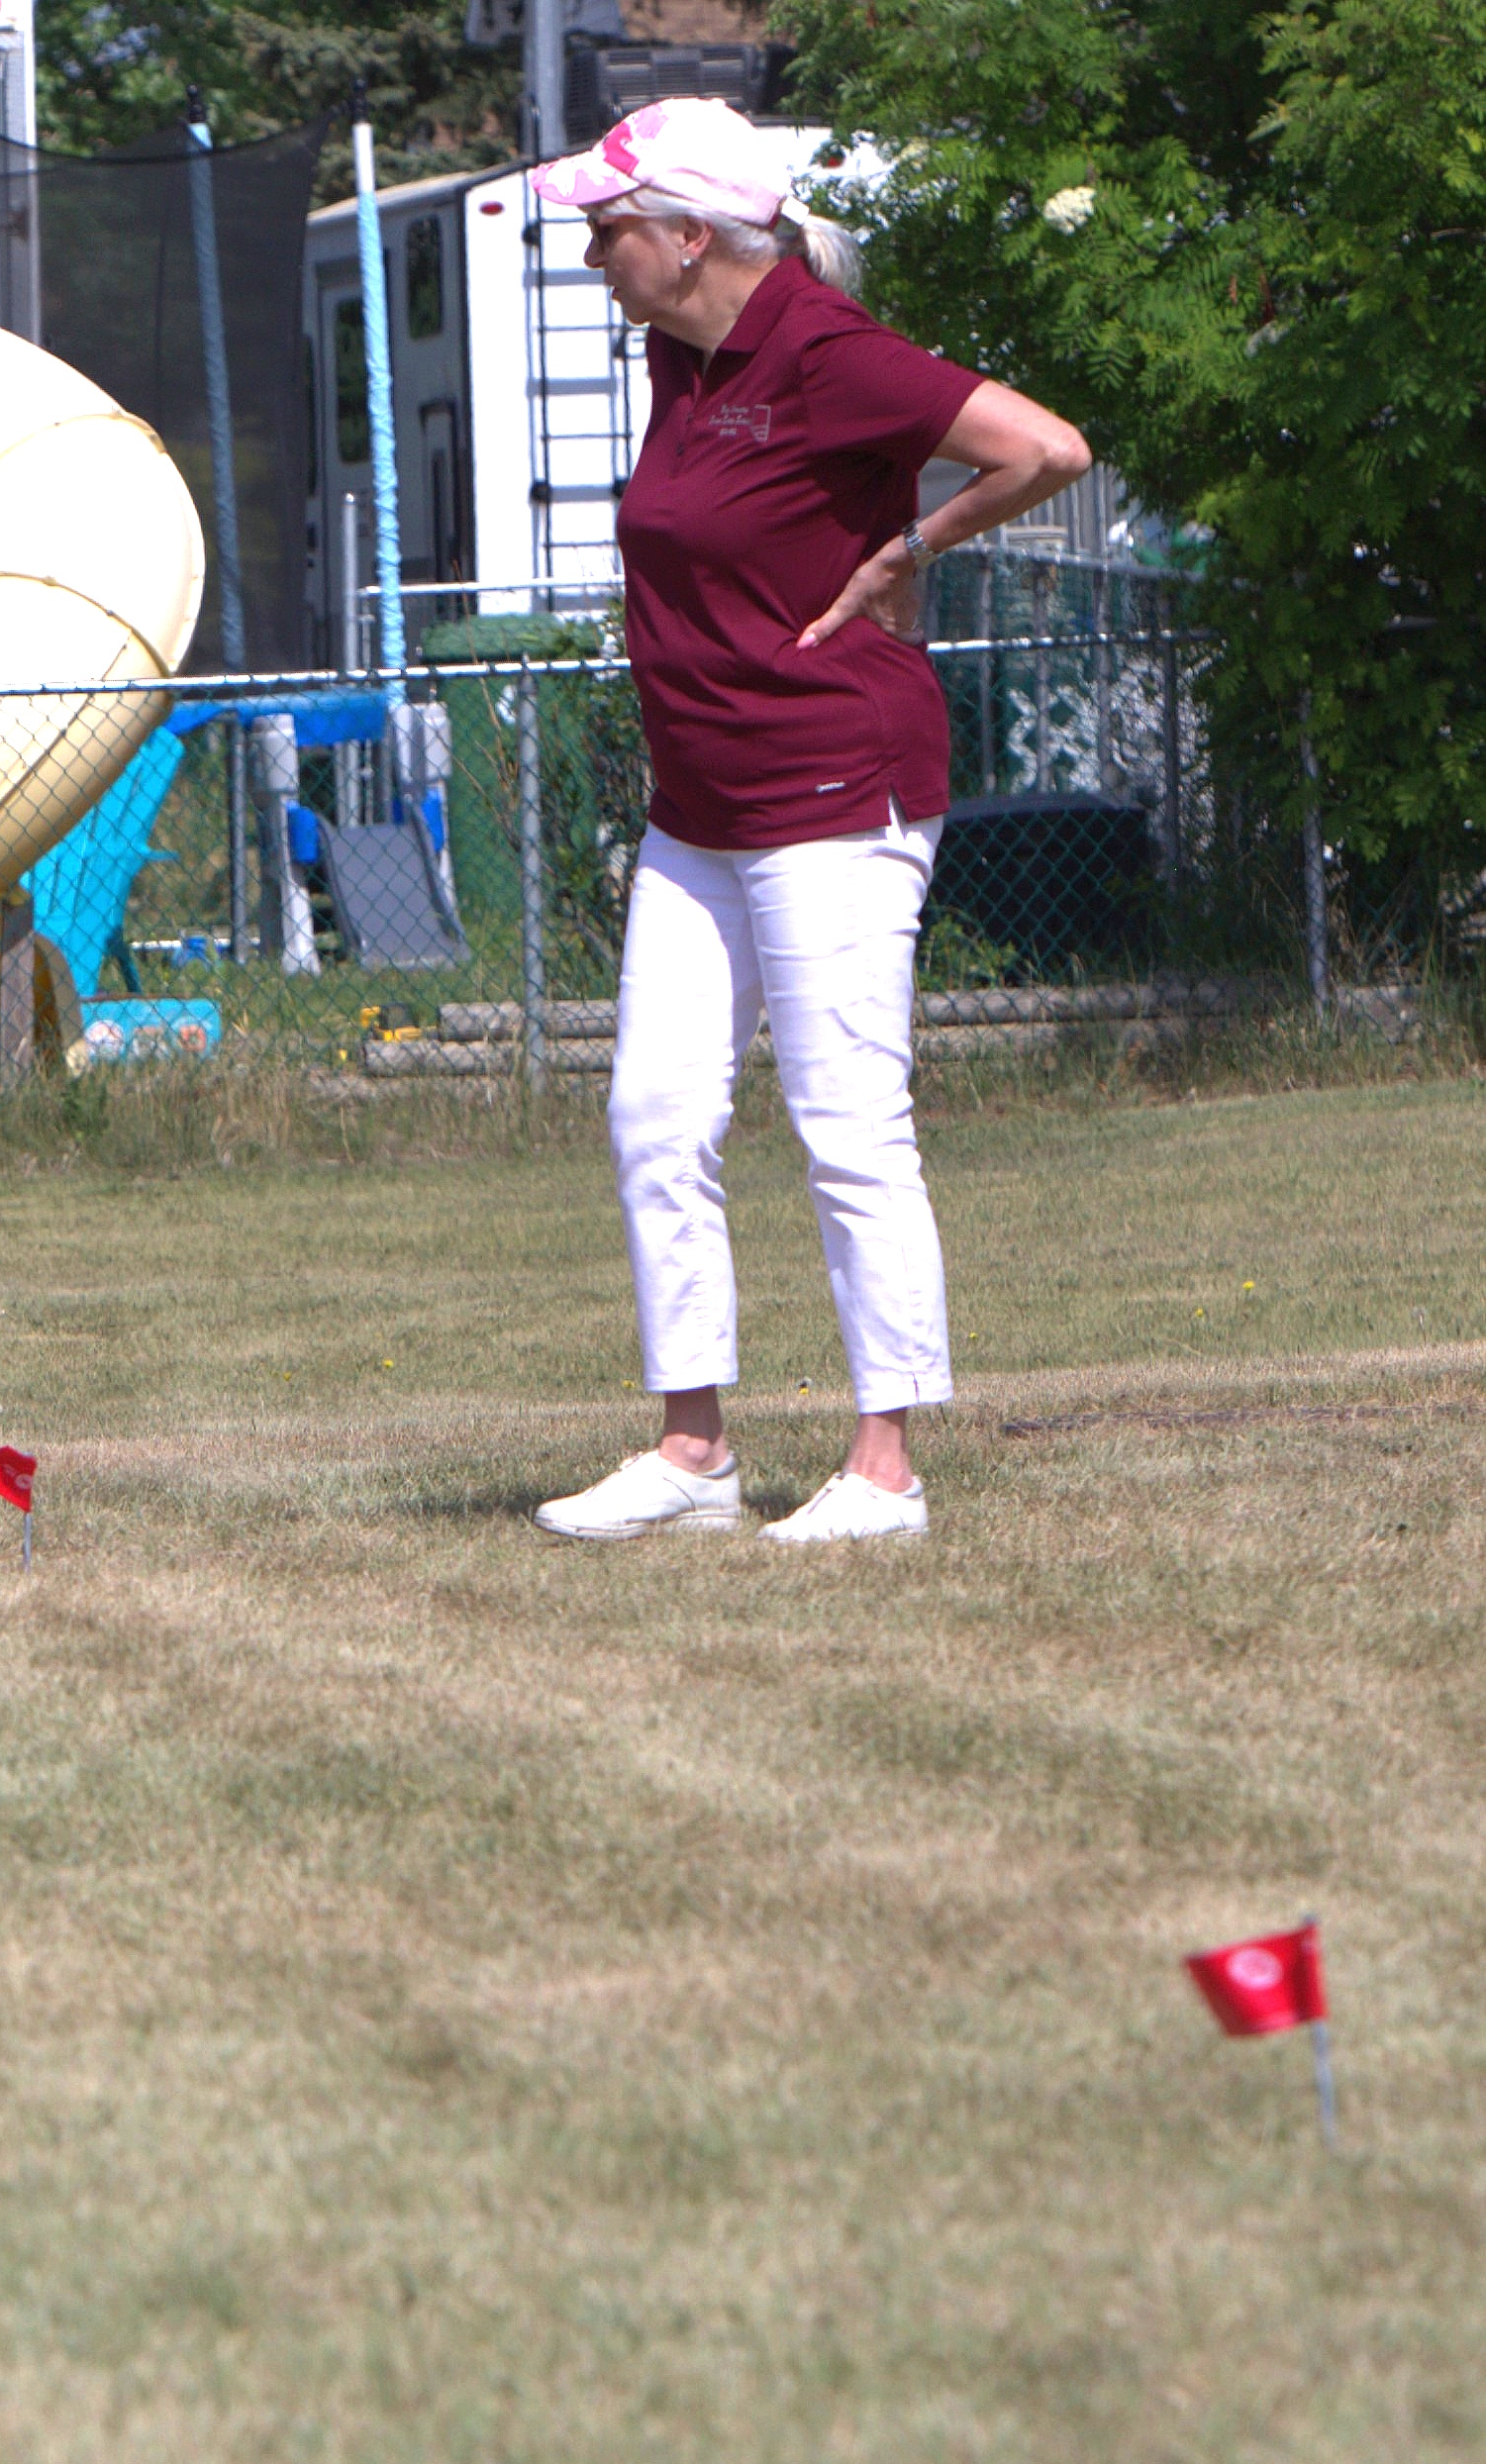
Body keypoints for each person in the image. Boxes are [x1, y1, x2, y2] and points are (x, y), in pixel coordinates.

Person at [522, 100, 1090, 1548]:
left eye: (605, 224)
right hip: (698, 806)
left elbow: (1043, 448)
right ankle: (692, 1453)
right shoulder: (678, 353)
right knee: (653, 1114)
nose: (587, 248)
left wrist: (911, 546)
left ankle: (883, 1470)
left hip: (837, 790)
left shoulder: (827, 351)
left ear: (685, 237)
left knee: (845, 1125)